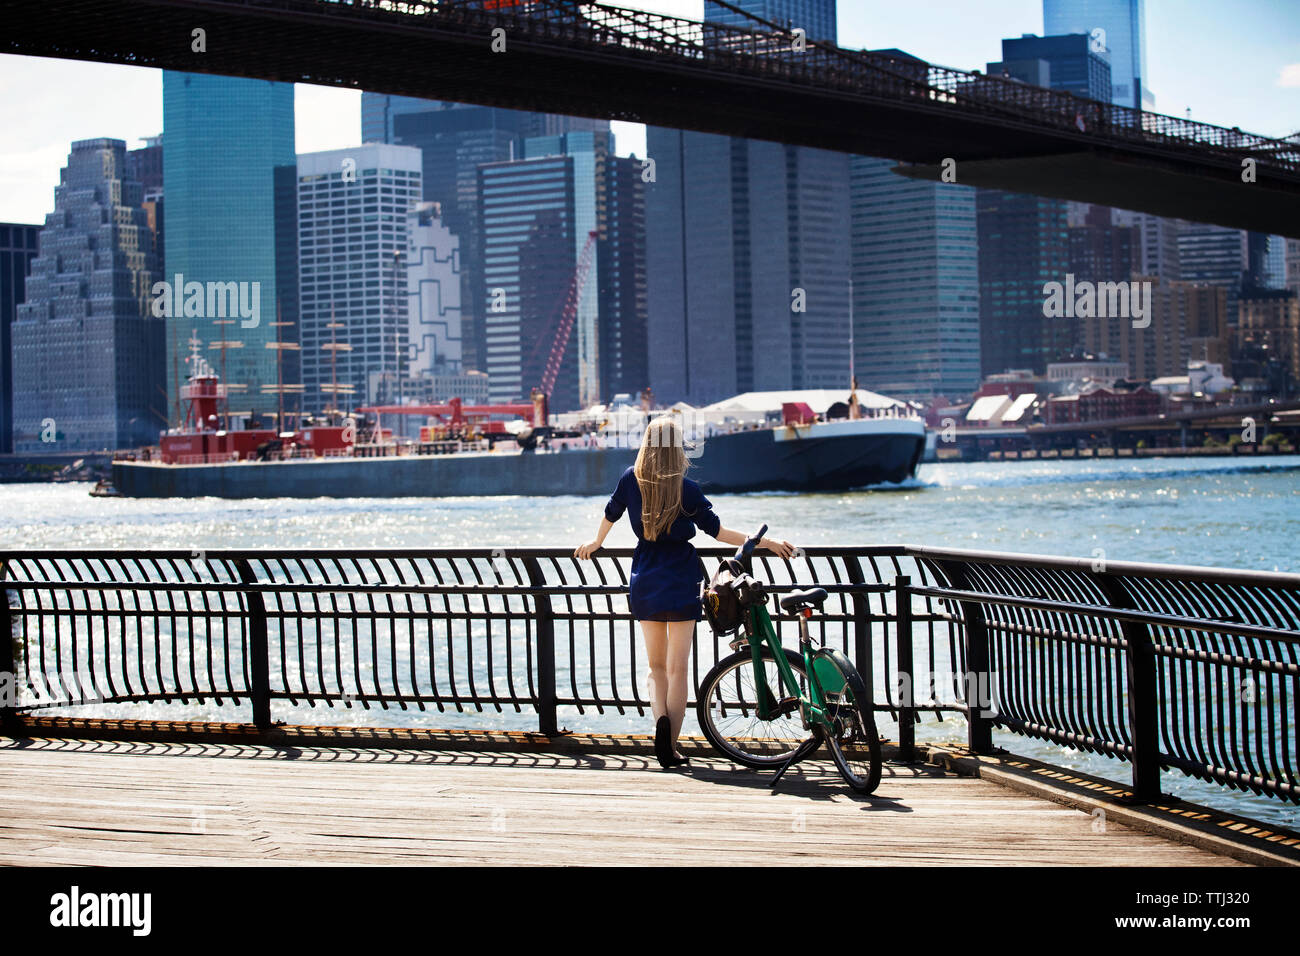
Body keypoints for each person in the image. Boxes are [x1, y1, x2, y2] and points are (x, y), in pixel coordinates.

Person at [574, 416, 795, 769]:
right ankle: (672, 746)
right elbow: (720, 533)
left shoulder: (630, 478)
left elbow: (611, 513)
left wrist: (596, 542)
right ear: (676, 448)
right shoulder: (686, 489)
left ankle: (659, 720)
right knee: (678, 669)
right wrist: (765, 542)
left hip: (645, 577)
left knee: (655, 667)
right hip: (682, 579)